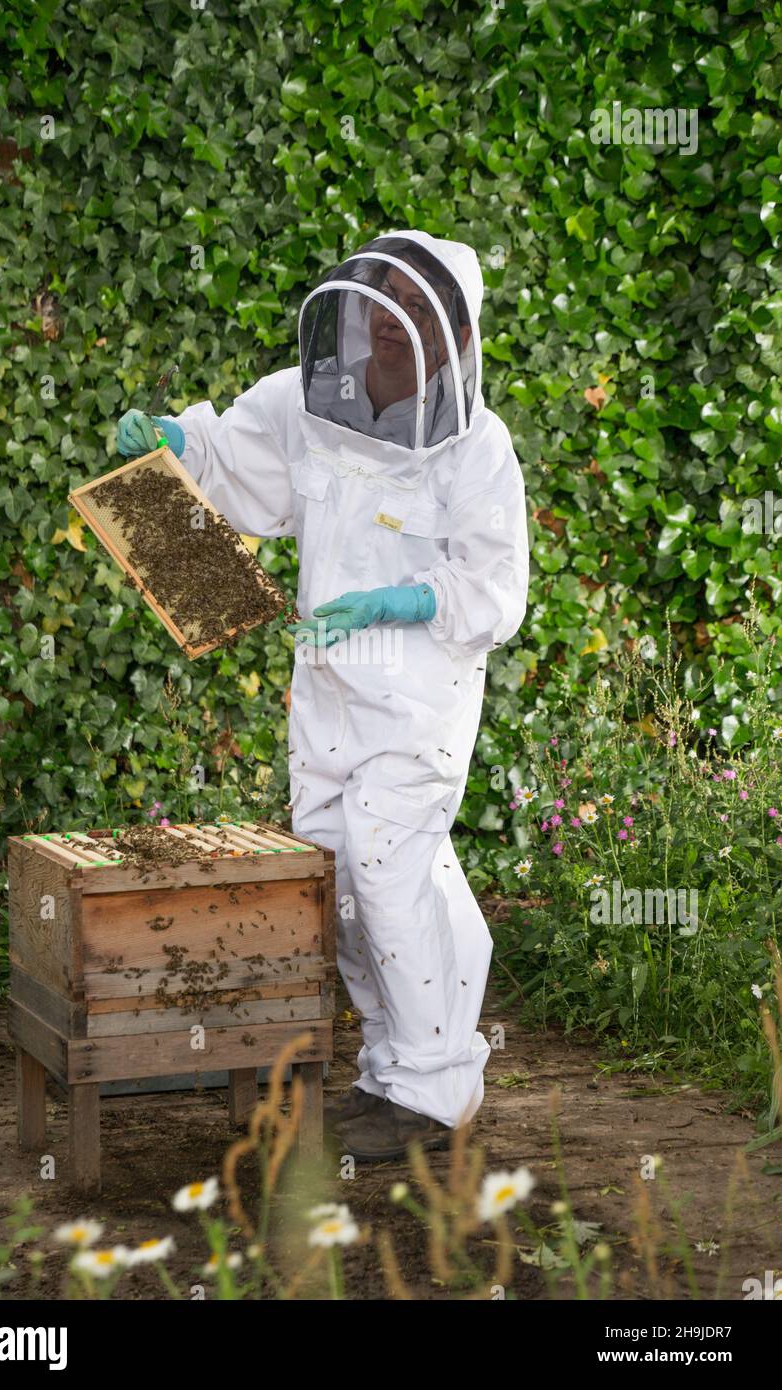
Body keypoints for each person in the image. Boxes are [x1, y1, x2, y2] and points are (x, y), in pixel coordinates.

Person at [116, 230, 530, 1162]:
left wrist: (407, 597)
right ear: (359, 304)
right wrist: (175, 442)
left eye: (421, 313)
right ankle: (396, 1071)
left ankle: (433, 1096)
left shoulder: (478, 449)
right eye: (387, 301)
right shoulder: (311, 401)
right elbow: (233, 465)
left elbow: (498, 591)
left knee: (390, 869)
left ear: (458, 337)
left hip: (421, 701)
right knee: (344, 881)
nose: (396, 325)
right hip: (328, 695)